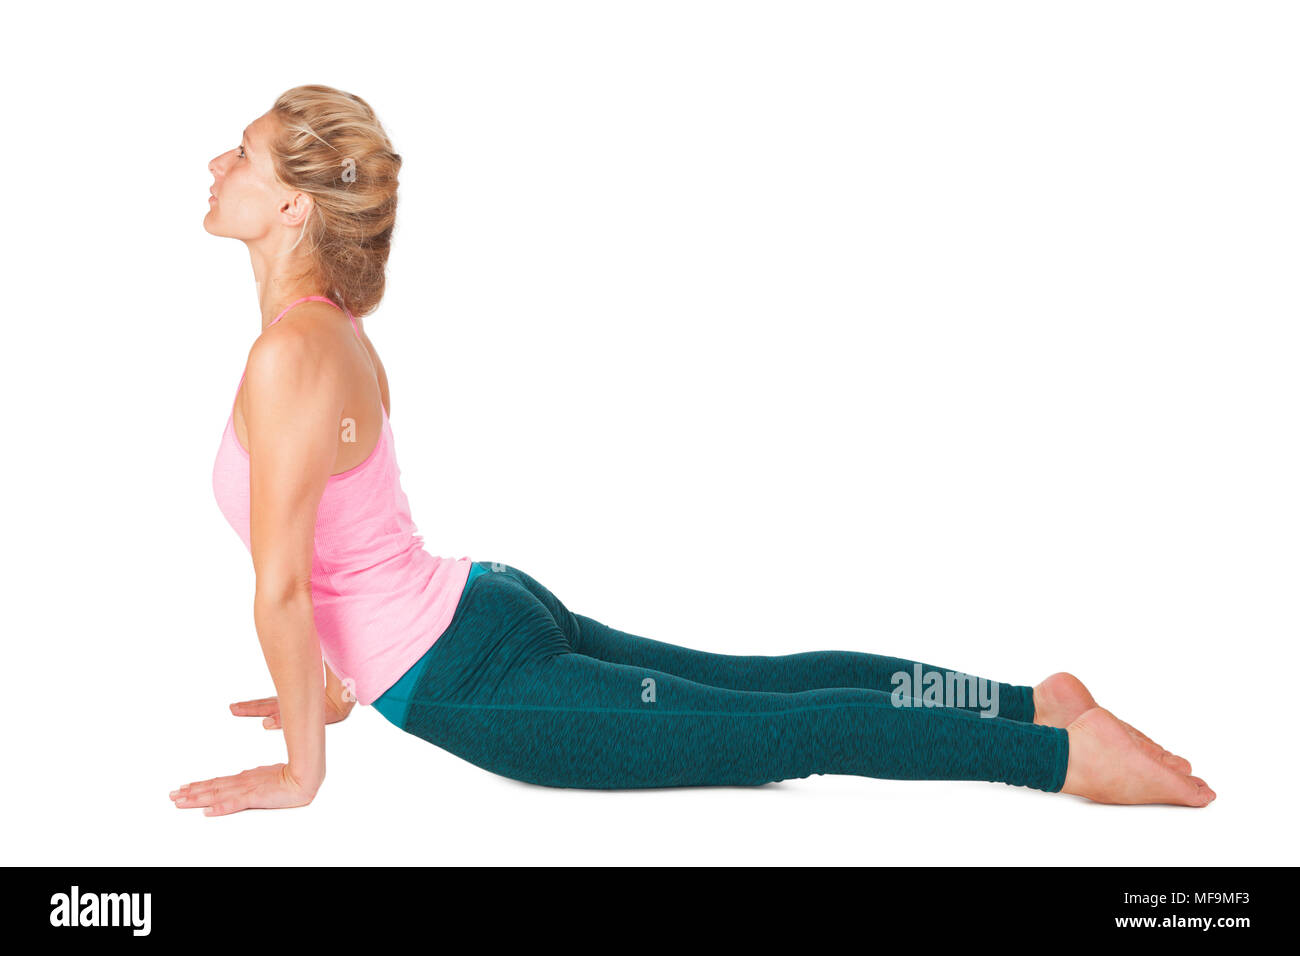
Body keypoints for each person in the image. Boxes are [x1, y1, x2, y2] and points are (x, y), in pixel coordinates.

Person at [171, 85, 1215, 816]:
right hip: (484, 608)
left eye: (243, 155)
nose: (218, 165)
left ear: (294, 204)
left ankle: (1059, 753)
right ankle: (1030, 701)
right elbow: (341, 548)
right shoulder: (323, 330)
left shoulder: (290, 353)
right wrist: (334, 688)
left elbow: (283, 588)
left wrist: (301, 769)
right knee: (770, 688)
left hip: (476, 674)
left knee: (783, 727)